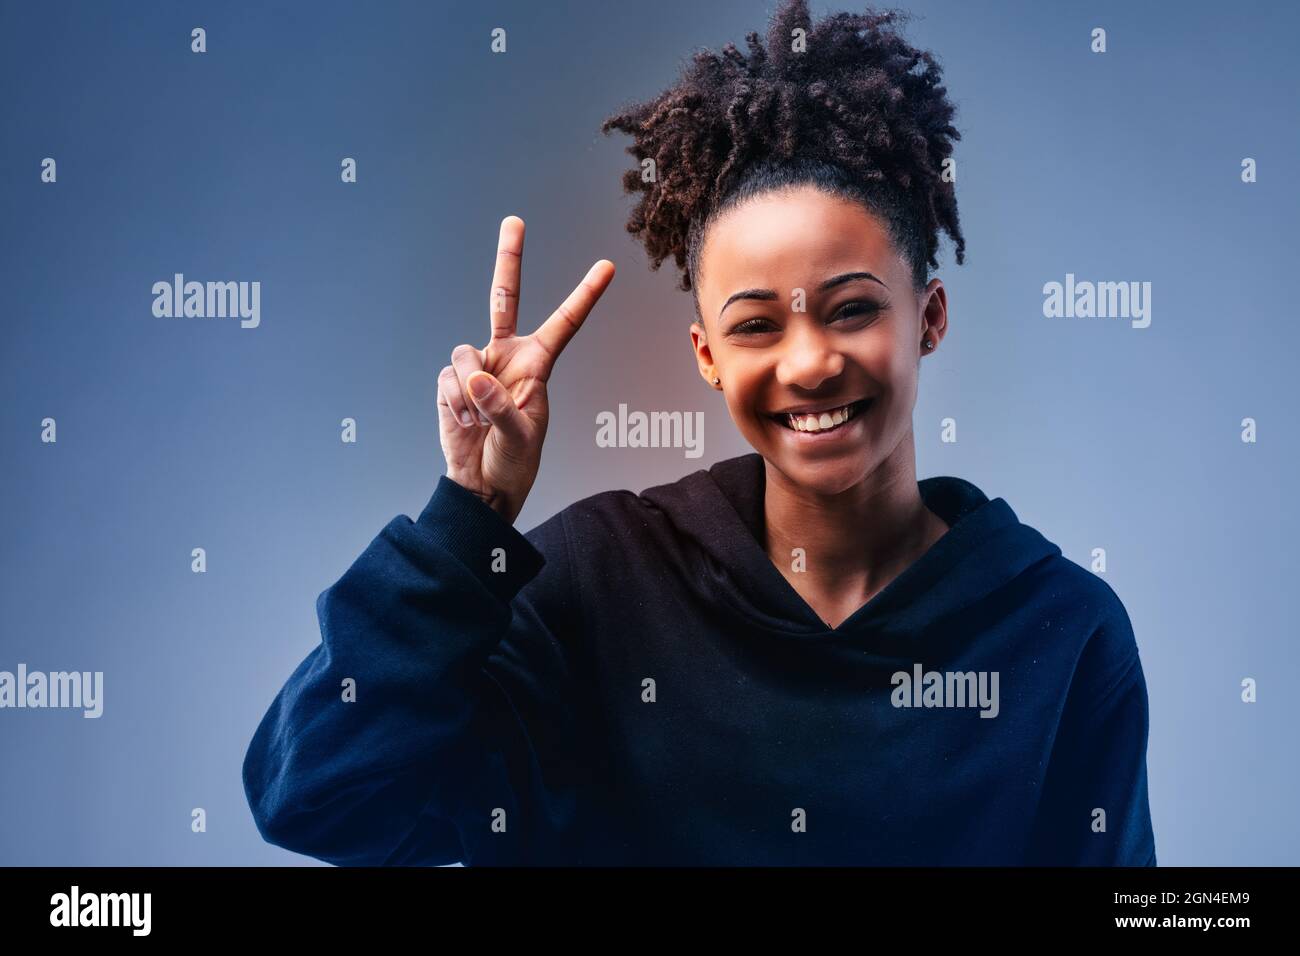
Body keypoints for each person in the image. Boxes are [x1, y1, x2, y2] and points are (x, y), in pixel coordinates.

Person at [243, 0, 1156, 866]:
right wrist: (467, 518)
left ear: (930, 317)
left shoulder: (1061, 632)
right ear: (707, 354)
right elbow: (316, 794)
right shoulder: (596, 588)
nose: (807, 364)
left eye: (850, 311)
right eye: (757, 325)